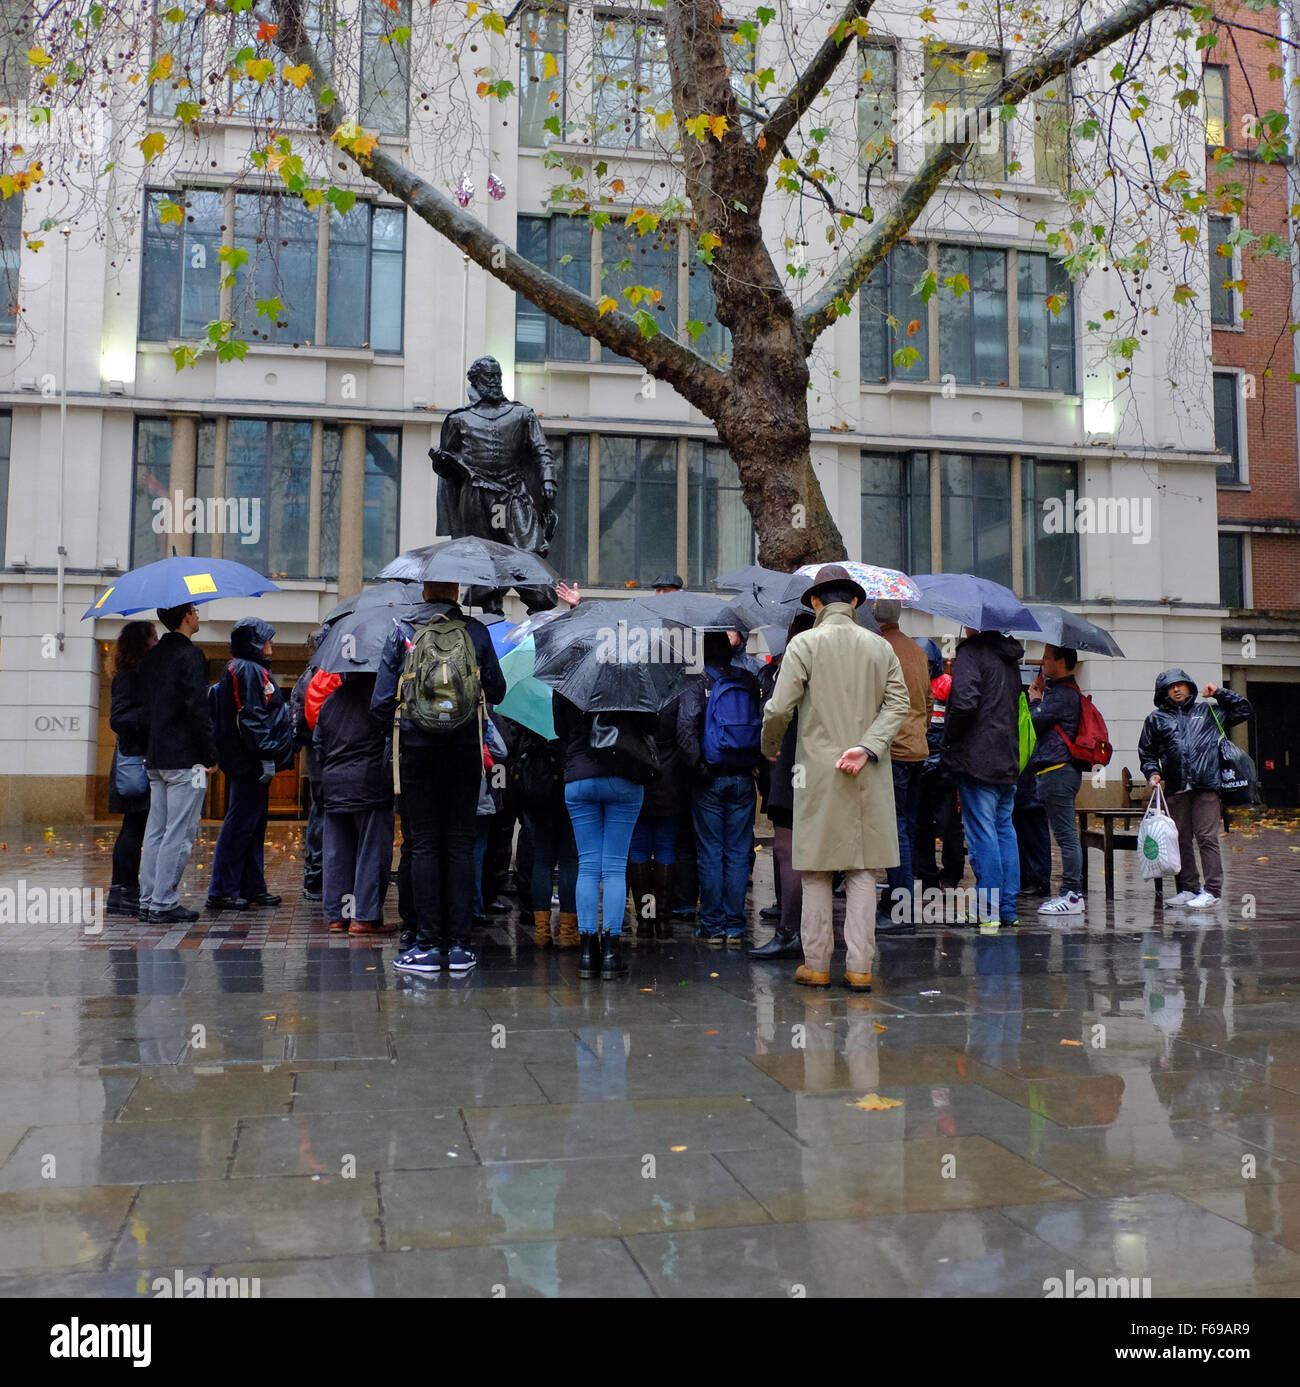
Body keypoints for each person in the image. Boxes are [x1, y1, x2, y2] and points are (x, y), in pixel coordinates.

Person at [760, 565, 910, 991]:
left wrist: (769, 745)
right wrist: (867, 747)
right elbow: (899, 705)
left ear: (815, 601)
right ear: (856, 602)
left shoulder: (804, 644)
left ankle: (817, 964)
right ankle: (861, 967)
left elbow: (777, 709)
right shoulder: (880, 647)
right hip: (867, 770)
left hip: (816, 774)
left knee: (816, 871)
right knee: (863, 872)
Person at [372, 581, 506, 974]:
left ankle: (427, 945)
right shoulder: (476, 632)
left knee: (425, 844)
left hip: (416, 752)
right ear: (458, 590)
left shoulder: (402, 632)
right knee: (461, 846)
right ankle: (461, 946)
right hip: (465, 752)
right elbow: (497, 690)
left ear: (426, 589)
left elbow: (380, 703)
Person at [554, 691, 658, 980]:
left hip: (579, 776)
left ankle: (588, 953)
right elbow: (652, 725)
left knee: (587, 865)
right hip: (624, 775)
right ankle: (611, 953)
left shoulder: (570, 675)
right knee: (614, 866)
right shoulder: (632, 674)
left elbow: (560, 729)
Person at [677, 630, 764, 946]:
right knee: (739, 851)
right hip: (743, 776)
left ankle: (712, 925)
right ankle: (735, 924)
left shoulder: (697, 682)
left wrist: (699, 768)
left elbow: (686, 731)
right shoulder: (748, 680)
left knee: (711, 850)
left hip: (709, 778)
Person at [1138, 669, 1251, 907]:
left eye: (1180, 685)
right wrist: (1153, 772)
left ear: (1189, 687)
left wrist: (1219, 693)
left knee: (1207, 837)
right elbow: (1147, 752)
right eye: (1171, 687)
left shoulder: (1208, 711)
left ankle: (1212, 891)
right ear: (1163, 692)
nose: (1176, 689)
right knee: (1180, 839)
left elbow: (1244, 710)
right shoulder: (1156, 719)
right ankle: (1189, 888)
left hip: (1206, 786)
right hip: (1176, 788)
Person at [941, 624, 1026, 929]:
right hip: (1007, 758)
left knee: (983, 834)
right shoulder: (1010, 657)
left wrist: (949, 739)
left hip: (978, 759)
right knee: (1004, 830)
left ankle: (986, 910)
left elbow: (964, 702)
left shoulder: (971, 653)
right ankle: (1006, 909)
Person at [137, 602, 218, 924]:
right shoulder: (191, 656)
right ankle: (164, 902)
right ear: (186, 617)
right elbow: (198, 708)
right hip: (185, 758)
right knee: (179, 832)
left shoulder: (151, 657)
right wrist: (209, 753)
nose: (198, 617)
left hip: (156, 756)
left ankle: (148, 898)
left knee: (155, 831)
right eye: (196, 612)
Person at [207, 617, 294, 912]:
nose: (272, 643)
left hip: (249, 761)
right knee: (241, 826)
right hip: (250, 762)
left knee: (252, 825)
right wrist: (267, 754)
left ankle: (250, 886)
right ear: (254, 643)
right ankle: (223, 890)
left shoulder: (246, 668)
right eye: (267, 638)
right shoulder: (247, 670)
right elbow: (252, 716)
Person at [751, 610, 814, 960]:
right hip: (830, 765)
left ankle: (790, 931)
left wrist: (768, 745)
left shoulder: (794, 658)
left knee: (788, 848)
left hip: (792, 762)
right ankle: (812, 932)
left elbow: (776, 712)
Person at [314, 671, 395, 936]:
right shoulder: (380, 700)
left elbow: (319, 745)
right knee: (371, 852)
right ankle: (364, 918)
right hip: (370, 784)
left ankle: (338, 916)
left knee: (337, 852)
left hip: (334, 785)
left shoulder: (331, 700)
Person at [871, 599, 933, 932]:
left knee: (895, 832)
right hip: (917, 751)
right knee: (905, 827)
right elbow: (928, 701)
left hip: (892, 749)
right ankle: (897, 897)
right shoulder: (918, 650)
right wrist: (918, 732)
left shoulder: (878, 648)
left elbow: (874, 699)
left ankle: (902, 906)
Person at [1027, 645, 1089, 915]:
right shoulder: (1061, 691)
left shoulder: (1063, 693)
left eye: (1047, 658)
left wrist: (1035, 699)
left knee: (1065, 836)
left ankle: (1072, 895)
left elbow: (1034, 721)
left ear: (1061, 662)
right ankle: (1071, 892)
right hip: (1057, 770)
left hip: (1058, 770)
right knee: (1065, 834)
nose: (1042, 663)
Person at [510, 721, 579, 950]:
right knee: (569, 860)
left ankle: (541, 932)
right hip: (568, 782)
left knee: (542, 859)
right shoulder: (575, 694)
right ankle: (568, 933)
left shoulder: (532, 696)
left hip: (538, 787)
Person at [106, 621, 158, 917]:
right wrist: (149, 712)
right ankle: (123, 890)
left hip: (137, 757)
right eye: (153, 637)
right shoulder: (127, 677)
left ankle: (123, 891)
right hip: (132, 760)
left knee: (136, 826)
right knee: (133, 826)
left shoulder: (139, 675)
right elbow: (118, 718)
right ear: (141, 643)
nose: (157, 641)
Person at [626, 691, 684, 942]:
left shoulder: (631, 696)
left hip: (638, 777)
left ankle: (645, 919)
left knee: (638, 848)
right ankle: (662, 919)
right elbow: (685, 737)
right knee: (665, 848)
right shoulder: (675, 695)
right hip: (670, 780)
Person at [915, 640, 965, 890]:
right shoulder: (947, 683)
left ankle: (933, 872)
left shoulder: (943, 684)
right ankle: (944, 872)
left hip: (933, 763)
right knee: (944, 823)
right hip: (938, 762)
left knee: (932, 822)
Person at [290, 631, 330, 901]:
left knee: (319, 814)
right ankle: (317, 876)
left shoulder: (307, 673)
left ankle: (315, 876)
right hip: (325, 756)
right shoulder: (322, 674)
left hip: (315, 757)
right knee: (323, 815)